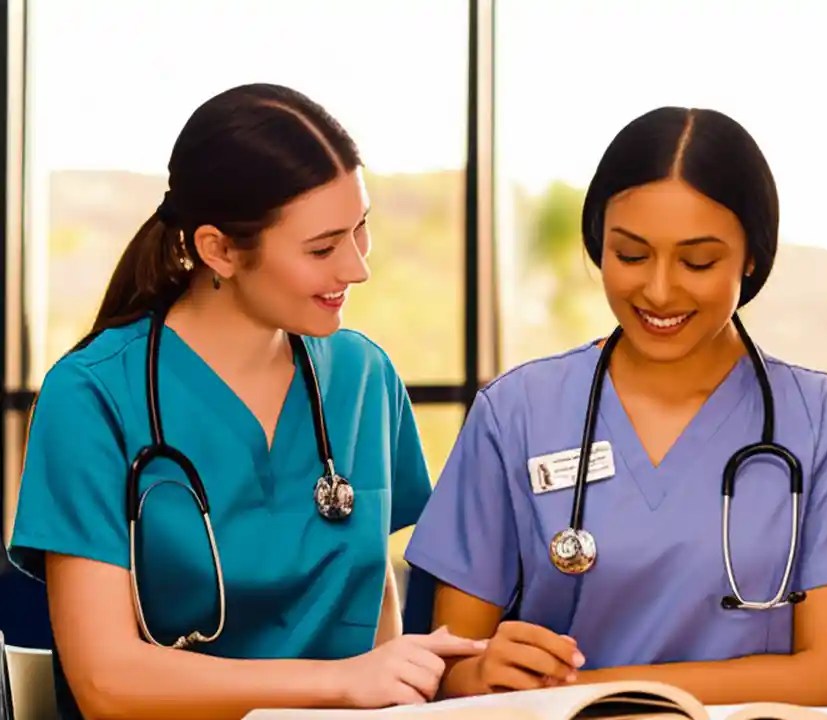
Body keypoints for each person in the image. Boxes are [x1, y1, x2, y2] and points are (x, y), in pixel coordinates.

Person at [5, 83, 484, 720]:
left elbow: (373, 625)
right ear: (220, 250)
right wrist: (339, 684)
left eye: (360, 229)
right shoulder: (91, 396)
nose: (357, 268)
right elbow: (106, 683)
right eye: (322, 247)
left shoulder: (364, 377)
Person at [404, 106, 827, 706]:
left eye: (698, 262)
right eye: (631, 256)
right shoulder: (516, 413)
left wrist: (577, 693)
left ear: (751, 256)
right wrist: (485, 673)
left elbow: (821, 677)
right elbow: (451, 668)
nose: (660, 290)